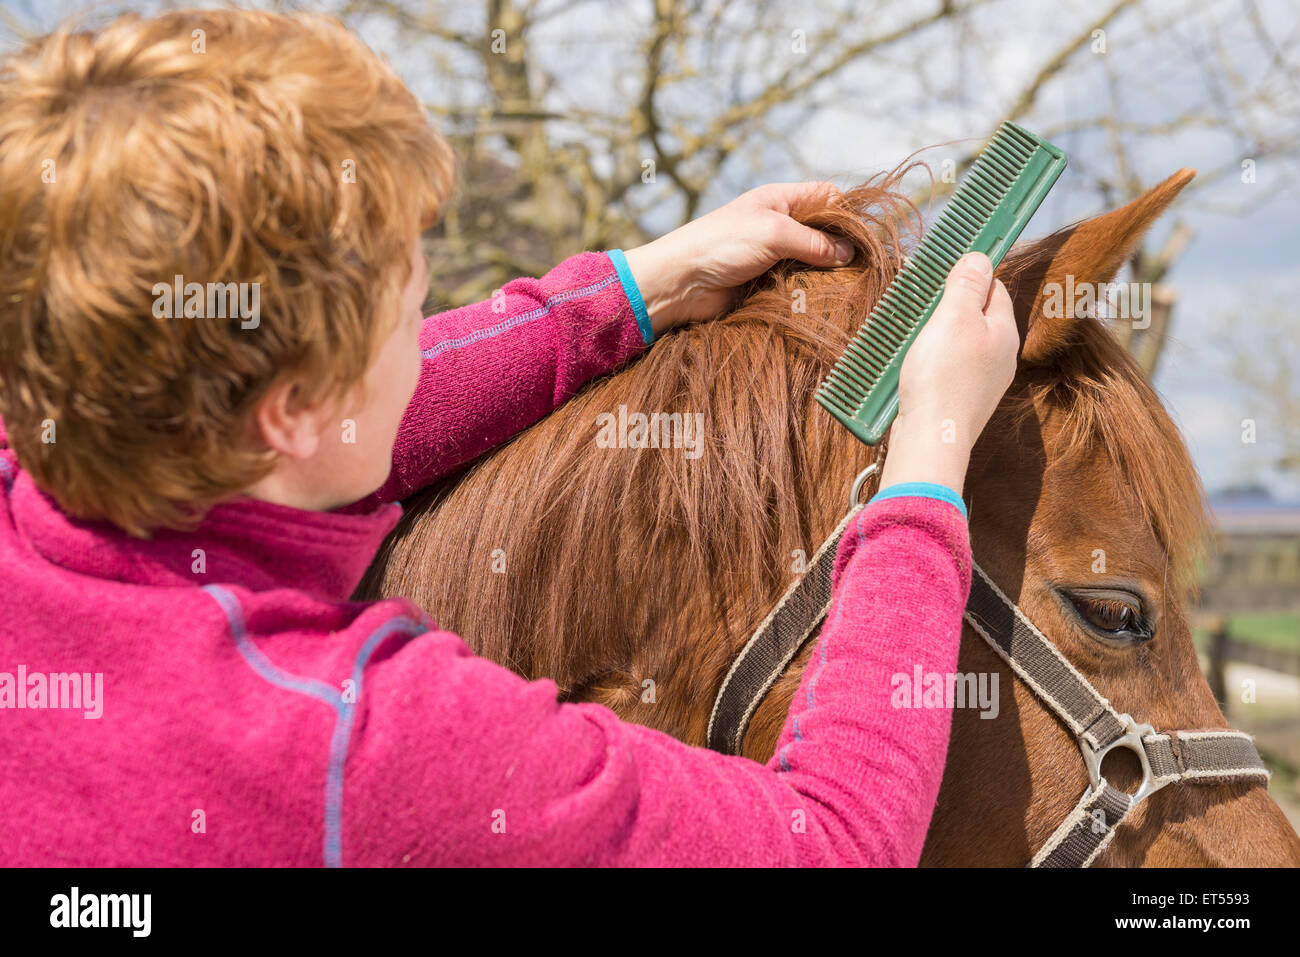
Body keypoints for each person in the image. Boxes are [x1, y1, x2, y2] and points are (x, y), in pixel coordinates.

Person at [0, 9, 1017, 866]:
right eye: (408, 307)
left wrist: (636, 286)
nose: (422, 331)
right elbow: (829, 844)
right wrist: (925, 465)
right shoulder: (366, 738)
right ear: (298, 406)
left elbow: (273, 429)